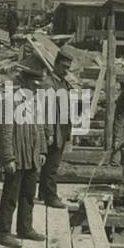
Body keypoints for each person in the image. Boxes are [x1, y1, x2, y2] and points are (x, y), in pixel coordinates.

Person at [0, 56, 51, 248]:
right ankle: (4, 233)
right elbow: (5, 131)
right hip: (17, 157)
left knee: (28, 195)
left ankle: (25, 228)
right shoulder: (10, 101)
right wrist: (8, 158)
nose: (37, 90)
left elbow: (40, 127)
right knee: (10, 195)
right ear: (25, 82)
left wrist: (42, 151)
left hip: (33, 156)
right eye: (34, 86)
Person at [39, 44, 77, 209]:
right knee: (52, 166)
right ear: (55, 64)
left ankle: (42, 193)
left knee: (50, 164)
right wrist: (49, 133)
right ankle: (50, 197)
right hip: (53, 130)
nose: (65, 70)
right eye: (63, 67)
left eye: (68, 68)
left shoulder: (62, 83)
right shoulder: (49, 84)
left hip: (62, 129)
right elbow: (46, 111)